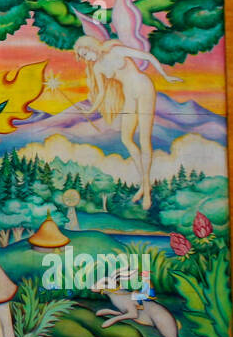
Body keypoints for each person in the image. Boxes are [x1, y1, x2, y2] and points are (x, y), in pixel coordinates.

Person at [74, 35, 181, 210]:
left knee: (145, 140)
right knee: (126, 139)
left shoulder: (115, 50)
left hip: (144, 87)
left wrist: (165, 76)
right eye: (83, 57)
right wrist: (90, 110)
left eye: (86, 54)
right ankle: (145, 184)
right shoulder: (97, 68)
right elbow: (101, 94)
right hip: (129, 95)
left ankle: (146, 192)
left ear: (92, 47)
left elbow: (147, 56)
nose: (87, 59)